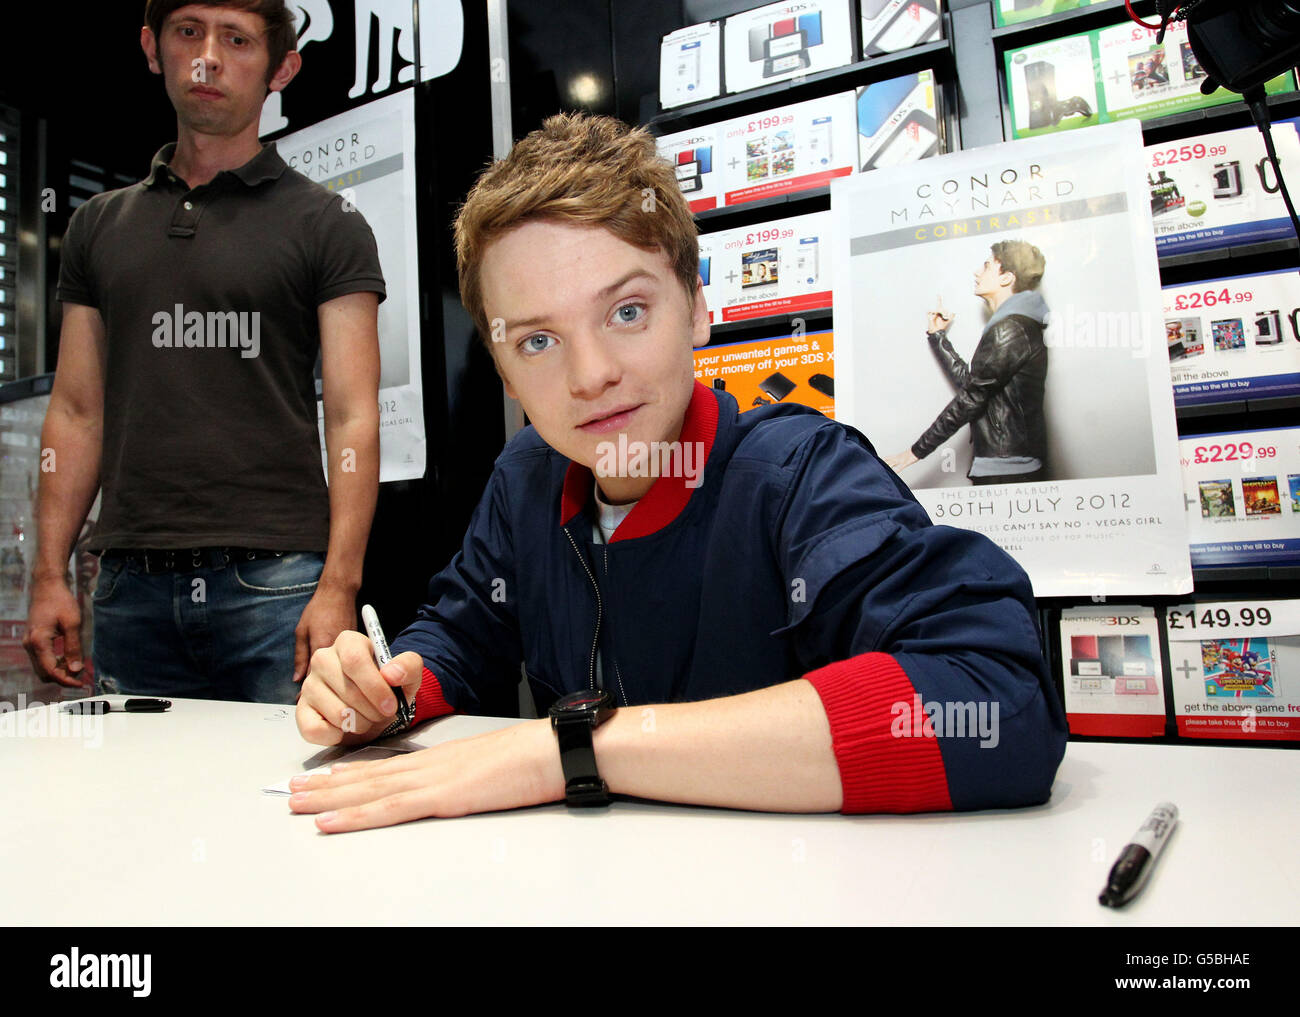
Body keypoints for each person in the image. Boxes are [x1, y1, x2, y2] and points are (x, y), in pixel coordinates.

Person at [288, 113, 1067, 834]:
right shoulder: (526, 474)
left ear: (697, 308)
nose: (590, 375)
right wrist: (383, 690)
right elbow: (459, 634)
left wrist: (567, 752)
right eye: (536, 342)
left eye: (627, 312)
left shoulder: (797, 474)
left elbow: (999, 700)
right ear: (501, 369)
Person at [24, 0, 385, 704]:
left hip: (278, 587)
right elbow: (74, 411)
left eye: (237, 39)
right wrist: (47, 575)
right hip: (128, 588)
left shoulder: (328, 223)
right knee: (142, 809)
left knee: (286, 803)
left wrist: (339, 583)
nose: (208, 56)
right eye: (188, 32)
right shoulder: (98, 225)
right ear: (152, 48)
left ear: (282, 68)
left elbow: (351, 416)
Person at [885, 241, 1049, 486]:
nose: (977, 273)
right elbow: (973, 387)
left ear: (1006, 278)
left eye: (986, 267)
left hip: (1007, 468)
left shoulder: (1009, 329)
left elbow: (971, 398)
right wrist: (938, 337)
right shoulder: (1011, 326)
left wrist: (914, 453)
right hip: (1004, 463)